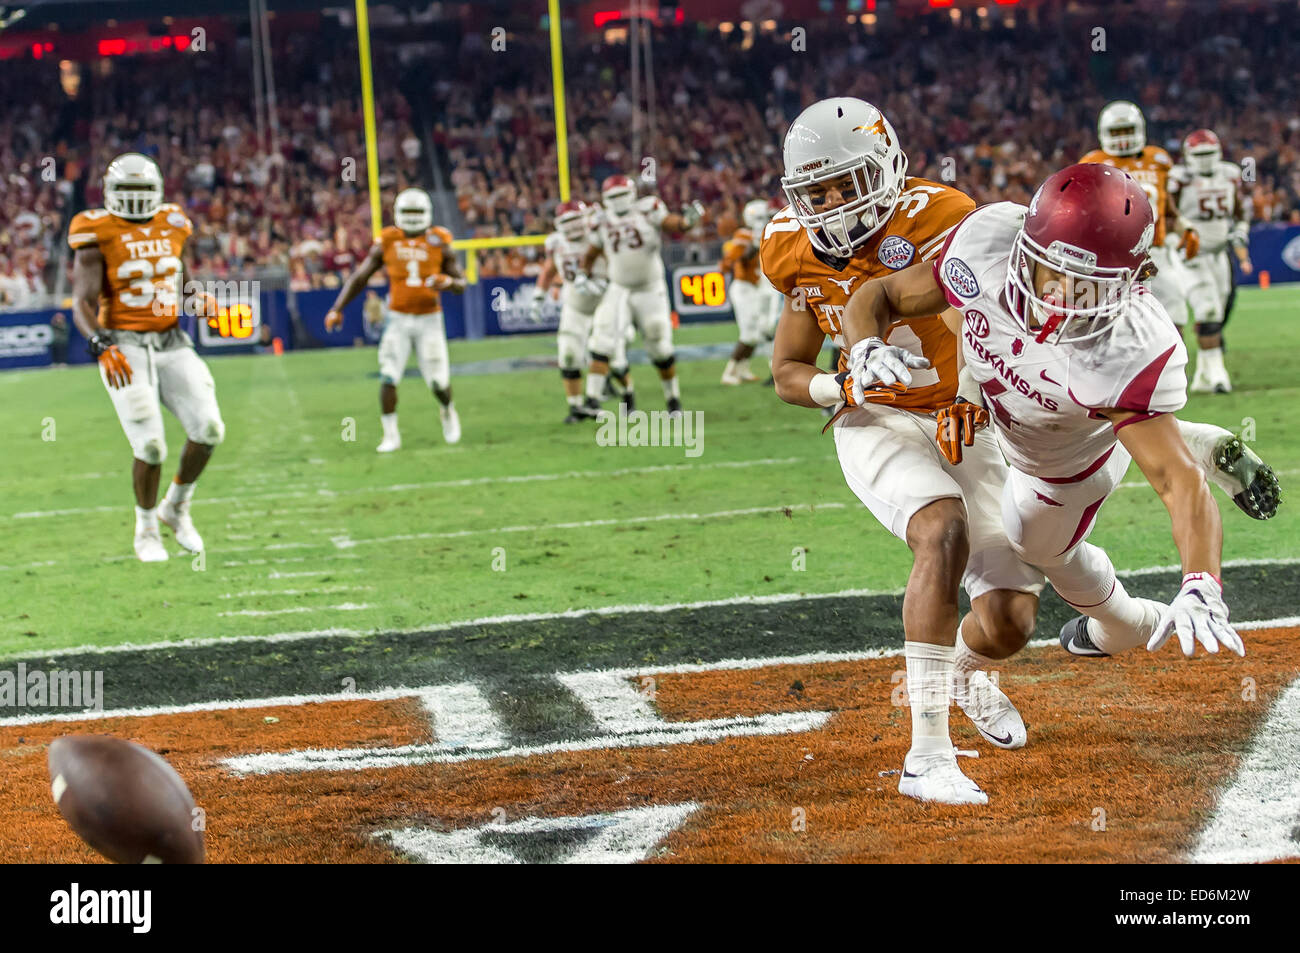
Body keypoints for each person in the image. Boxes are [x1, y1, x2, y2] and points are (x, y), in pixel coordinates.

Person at [843, 164, 1278, 680]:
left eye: (1088, 286)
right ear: (1023, 246)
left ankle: (1124, 623)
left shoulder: (1132, 346)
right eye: (1053, 271)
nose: (1062, 297)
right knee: (1061, 411)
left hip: (1063, 464)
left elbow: (1176, 481)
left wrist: (1201, 582)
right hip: (1026, 418)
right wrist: (866, 345)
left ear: (1131, 283)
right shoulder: (986, 244)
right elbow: (881, 295)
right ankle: (1180, 446)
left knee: (1036, 546)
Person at [766, 97, 1046, 806]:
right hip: (879, 421)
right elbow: (787, 370)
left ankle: (963, 670)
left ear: (888, 168)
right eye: (815, 191)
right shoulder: (790, 247)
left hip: (961, 412)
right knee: (940, 530)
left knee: (1011, 620)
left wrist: (973, 397)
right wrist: (841, 384)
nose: (829, 205)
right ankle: (927, 755)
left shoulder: (940, 213)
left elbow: (972, 308)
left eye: (844, 185)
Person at [67, 153, 225, 562]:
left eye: (142, 191)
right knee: (151, 445)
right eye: (127, 192)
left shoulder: (173, 222)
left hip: (170, 340)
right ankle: (146, 529)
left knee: (208, 428)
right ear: (109, 193)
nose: (135, 200)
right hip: (125, 343)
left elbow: (182, 284)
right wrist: (101, 344)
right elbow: (81, 301)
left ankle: (176, 506)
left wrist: (204, 303)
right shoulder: (95, 228)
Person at [326, 188, 466, 451]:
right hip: (399, 319)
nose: (413, 218)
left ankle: (447, 409)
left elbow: (461, 283)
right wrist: (337, 308)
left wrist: (447, 282)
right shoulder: (388, 240)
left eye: (417, 212)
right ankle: (390, 434)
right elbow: (360, 277)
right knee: (389, 376)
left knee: (438, 382)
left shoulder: (439, 240)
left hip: (429, 319)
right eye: (408, 212)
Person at [578, 175, 702, 417]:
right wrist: (583, 273)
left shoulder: (648, 209)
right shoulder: (601, 220)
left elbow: (671, 223)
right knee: (603, 339)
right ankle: (592, 400)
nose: (618, 201)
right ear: (604, 199)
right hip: (619, 288)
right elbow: (592, 251)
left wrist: (686, 222)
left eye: (621, 195)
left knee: (659, 345)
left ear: (632, 194)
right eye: (612, 197)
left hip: (649, 287)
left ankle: (673, 399)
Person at [1169, 129, 1253, 393]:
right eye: (1199, 155)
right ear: (1188, 156)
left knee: (1221, 307)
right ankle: (1217, 375)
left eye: (1208, 154)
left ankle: (1205, 376)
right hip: (1191, 252)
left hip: (1219, 252)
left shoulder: (1229, 175)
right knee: (1207, 310)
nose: (1204, 160)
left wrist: (1241, 230)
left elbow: (1240, 212)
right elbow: (1169, 214)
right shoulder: (1178, 179)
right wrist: (1179, 235)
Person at [531, 200, 610, 422]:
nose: (574, 226)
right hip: (574, 303)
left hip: (605, 299)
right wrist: (538, 296)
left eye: (576, 220)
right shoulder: (556, 243)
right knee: (567, 354)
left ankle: (597, 399)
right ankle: (576, 407)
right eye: (568, 221)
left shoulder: (598, 236)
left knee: (603, 348)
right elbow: (549, 268)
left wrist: (607, 283)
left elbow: (618, 263)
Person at [719, 199, 782, 385]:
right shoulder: (743, 235)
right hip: (743, 288)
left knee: (762, 331)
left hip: (757, 288)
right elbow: (738, 260)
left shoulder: (768, 235)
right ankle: (729, 373)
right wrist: (754, 244)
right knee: (750, 335)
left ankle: (744, 369)